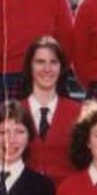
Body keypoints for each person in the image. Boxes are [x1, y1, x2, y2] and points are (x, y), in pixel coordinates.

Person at [19, 36, 82, 185]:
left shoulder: (80, 113)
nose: (47, 69)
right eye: (40, 62)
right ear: (29, 66)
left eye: (53, 62)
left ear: (61, 68)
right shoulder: (13, 111)